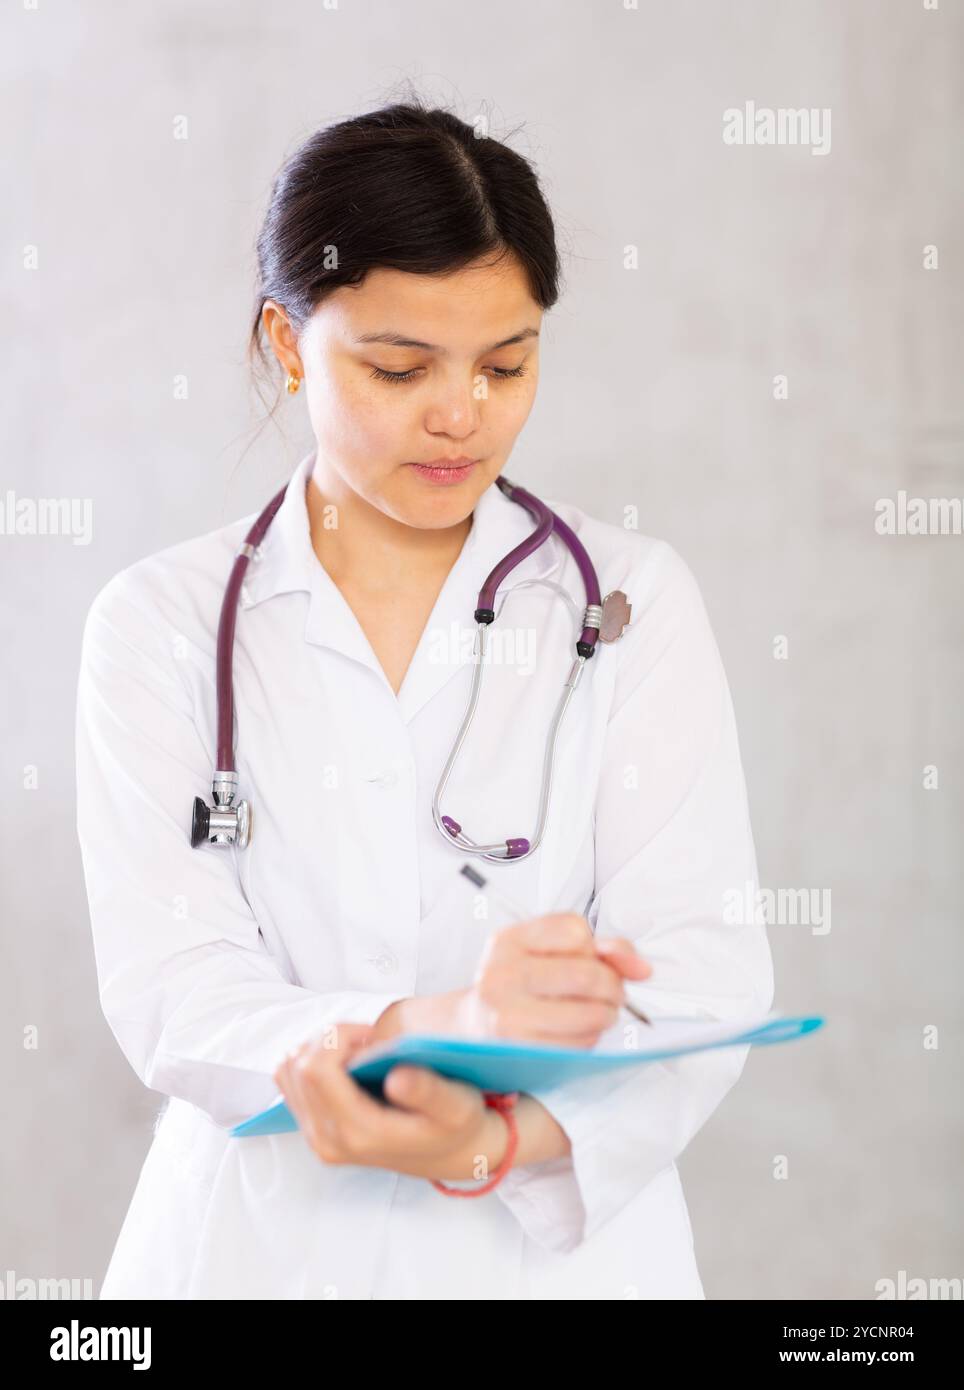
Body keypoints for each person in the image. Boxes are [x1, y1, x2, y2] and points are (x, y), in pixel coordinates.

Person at [75, 99, 774, 1300]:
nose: (463, 412)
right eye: (399, 367)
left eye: (508, 362)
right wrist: (440, 1019)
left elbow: (703, 978)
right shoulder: (161, 624)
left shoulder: (627, 602)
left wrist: (487, 1144)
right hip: (251, 1256)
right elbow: (176, 992)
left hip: (553, 1259)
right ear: (288, 345)